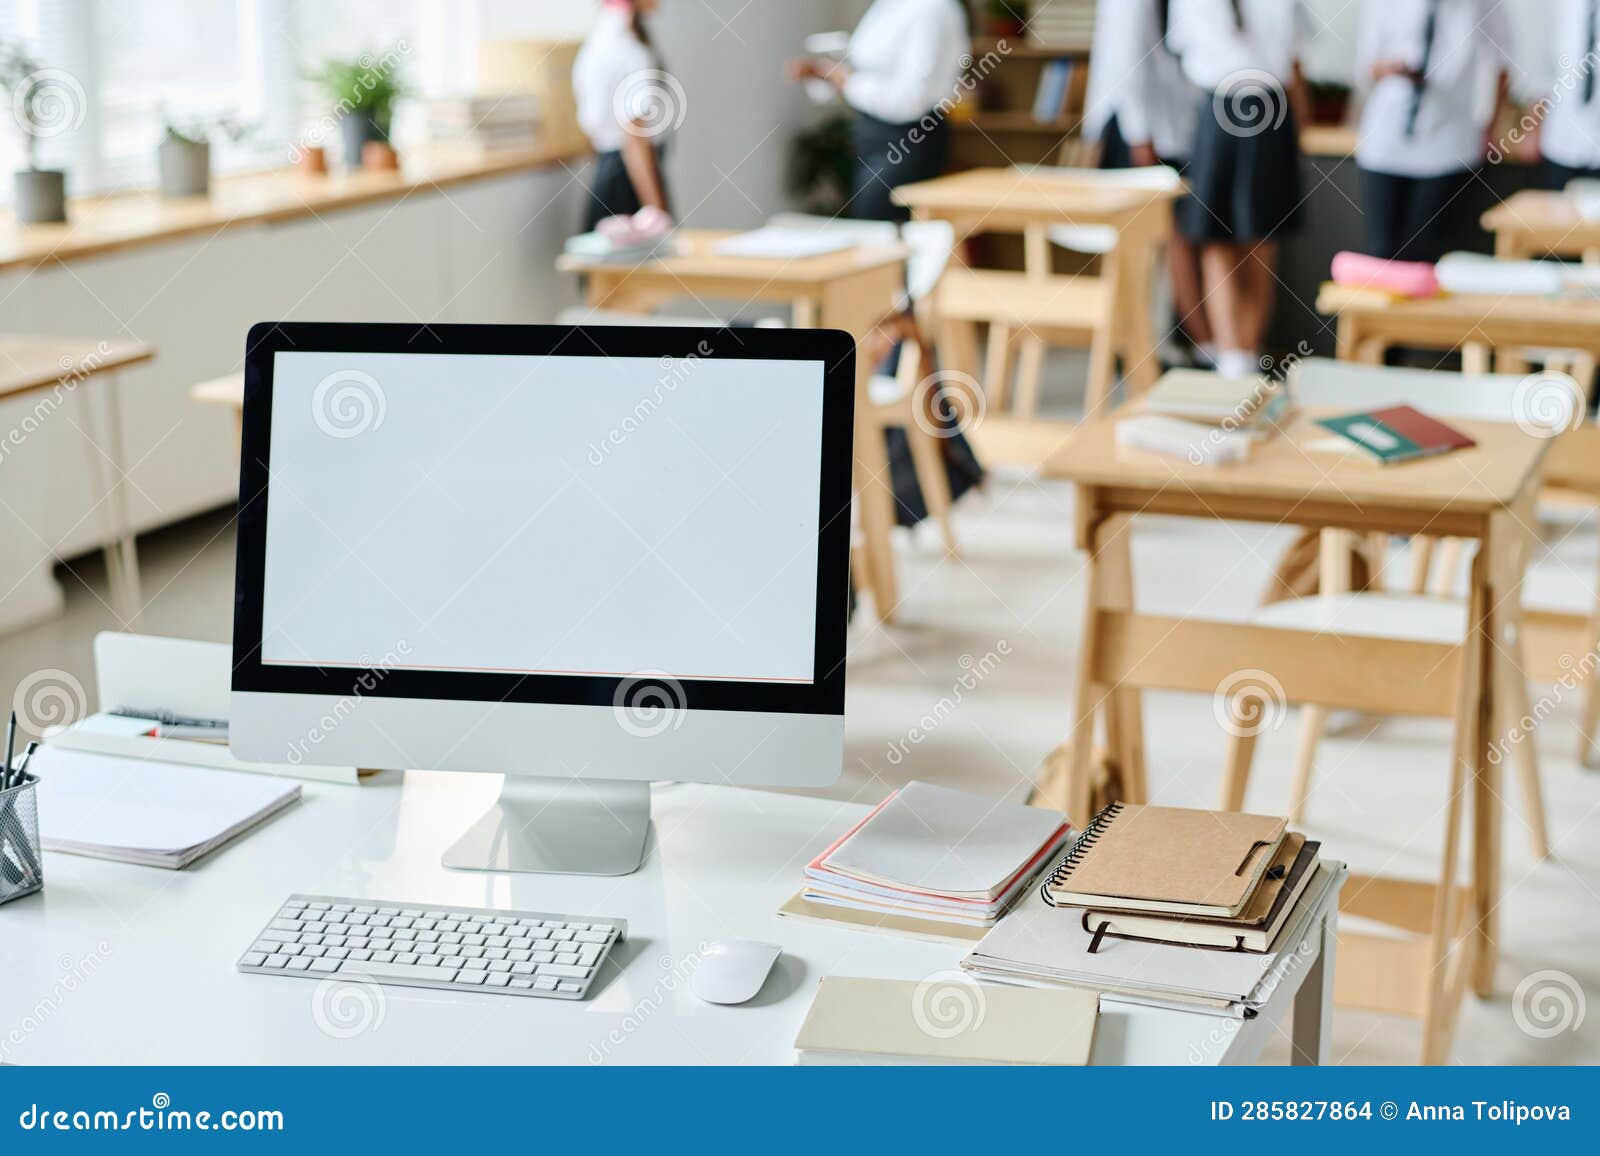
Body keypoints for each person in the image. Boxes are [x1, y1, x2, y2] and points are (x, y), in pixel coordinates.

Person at [1167, 0, 1310, 381]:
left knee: (1250, 239)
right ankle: (1237, 355)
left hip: (1249, 109)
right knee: (1234, 238)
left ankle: (1243, 352)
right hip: (1239, 110)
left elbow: (1293, 62)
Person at [1083, 0, 1213, 365]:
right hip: (1136, 133)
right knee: (1161, 239)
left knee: (1168, 240)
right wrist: (1141, 137)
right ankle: (1162, 344)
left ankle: (1164, 342)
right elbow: (1126, 62)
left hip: (1167, 132)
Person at [1353, 0, 1511, 262]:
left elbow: (1503, 62)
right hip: (1386, 142)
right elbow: (1366, 66)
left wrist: (1491, 127)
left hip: (1447, 145)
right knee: (1380, 254)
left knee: (1428, 253)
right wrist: (1393, 69)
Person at [787, 0, 969, 221]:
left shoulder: (933, 9)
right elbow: (868, 69)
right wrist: (825, 73)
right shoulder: (886, 5)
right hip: (871, 135)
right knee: (871, 230)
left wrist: (846, 81)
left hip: (908, 138)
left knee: (882, 230)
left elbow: (911, 98)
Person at [572, 0, 673, 231]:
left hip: (608, 177)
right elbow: (634, 138)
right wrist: (657, 212)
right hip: (630, 184)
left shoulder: (597, 43)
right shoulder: (629, 52)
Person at [1535, 0, 1600, 188]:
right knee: (1553, 214)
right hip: (1559, 143)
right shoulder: (1560, 5)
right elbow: (1546, 72)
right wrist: (1534, 126)